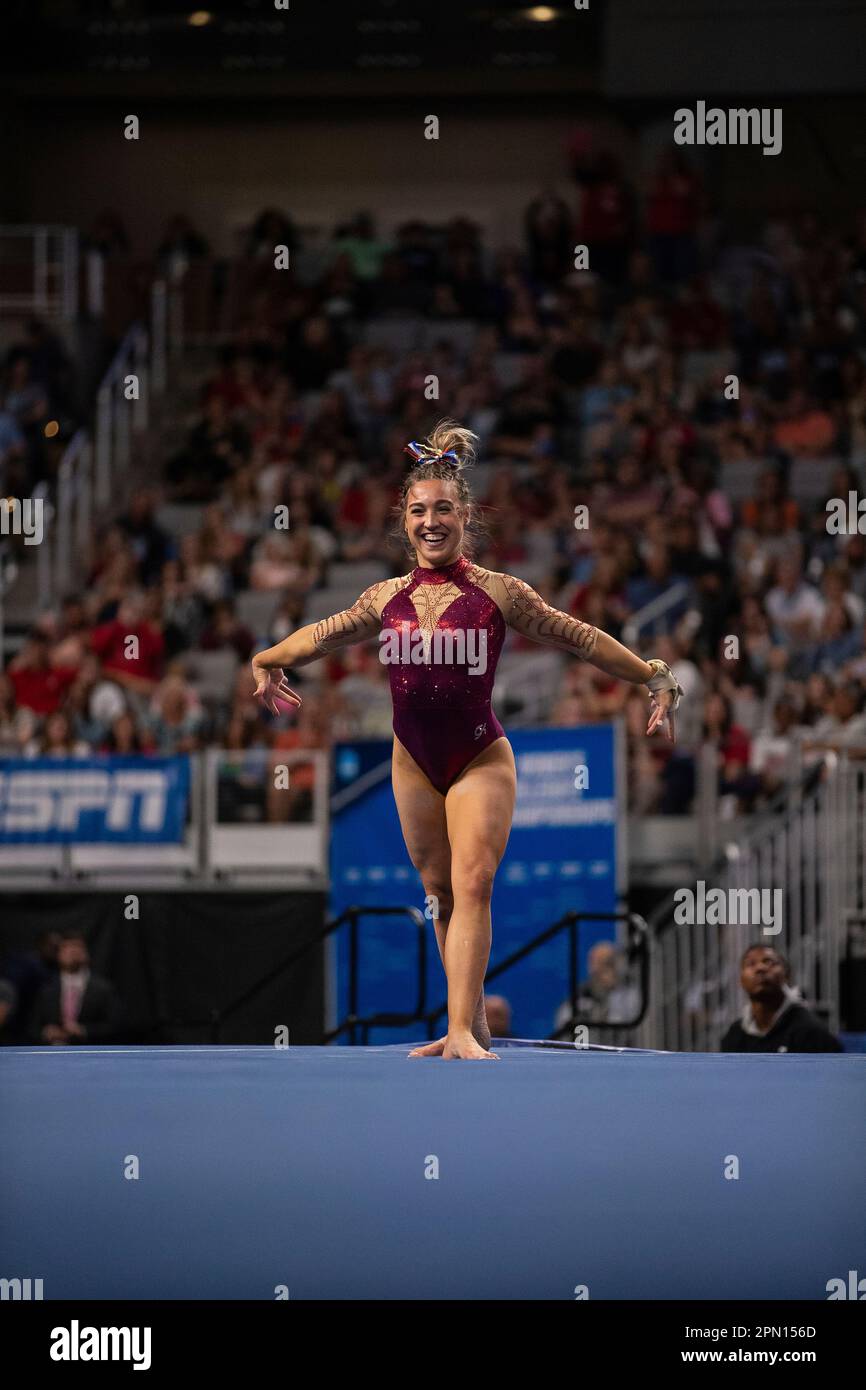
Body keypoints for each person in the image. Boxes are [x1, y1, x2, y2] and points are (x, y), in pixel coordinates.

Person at [252, 421, 683, 1059]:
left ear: (465, 518)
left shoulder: (498, 592)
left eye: (444, 510)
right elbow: (320, 636)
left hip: (479, 757)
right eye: (419, 511)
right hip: (411, 761)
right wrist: (267, 657)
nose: (431, 521)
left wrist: (654, 674)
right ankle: (470, 1023)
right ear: (404, 521)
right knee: (439, 893)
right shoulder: (384, 597)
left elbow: (581, 637)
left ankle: (456, 1030)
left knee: (474, 880)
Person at [720, 945, 844, 1054]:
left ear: (787, 975)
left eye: (769, 962)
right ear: (740, 980)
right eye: (750, 964)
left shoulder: (811, 1032)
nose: (760, 968)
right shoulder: (734, 1034)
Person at [30, 931, 121, 1046]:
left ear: (87, 953)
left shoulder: (103, 989)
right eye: (67, 947)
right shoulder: (46, 988)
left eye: (78, 946)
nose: (73, 951)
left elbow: (116, 1026)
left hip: (91, 1052)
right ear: (58, 954)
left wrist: (84, 1030)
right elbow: (32, 1026)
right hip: (52, 1052)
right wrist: (45, 1032)